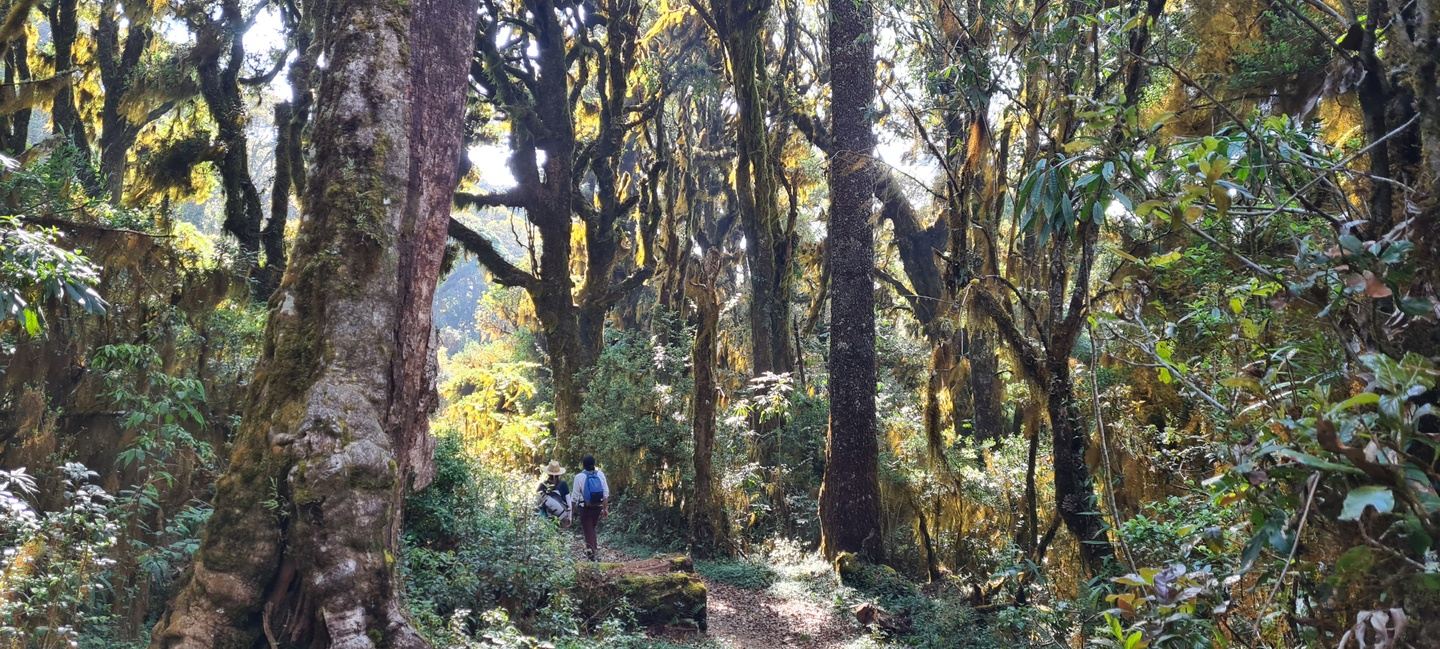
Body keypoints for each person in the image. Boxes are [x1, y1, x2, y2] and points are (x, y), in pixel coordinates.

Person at [571, 455, 610, 561]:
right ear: (594, 464)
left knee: (588, 530)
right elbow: (606, 493)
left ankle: (592, 555)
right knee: (591, 529)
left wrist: (571, 512)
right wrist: (605, 508)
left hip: (585, 508)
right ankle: (594, 551)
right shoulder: (600, 474)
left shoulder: (579, 477)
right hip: (598, 506)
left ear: (583, 465)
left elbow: (574, 497)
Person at [536, 461, 570, 526]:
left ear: (548, 473)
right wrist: (569, 518)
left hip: (546, 520)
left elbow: (537, 503)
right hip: (561, 517)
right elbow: (568, 502)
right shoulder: (563, 484)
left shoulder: (542, 485)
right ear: (559, 474)